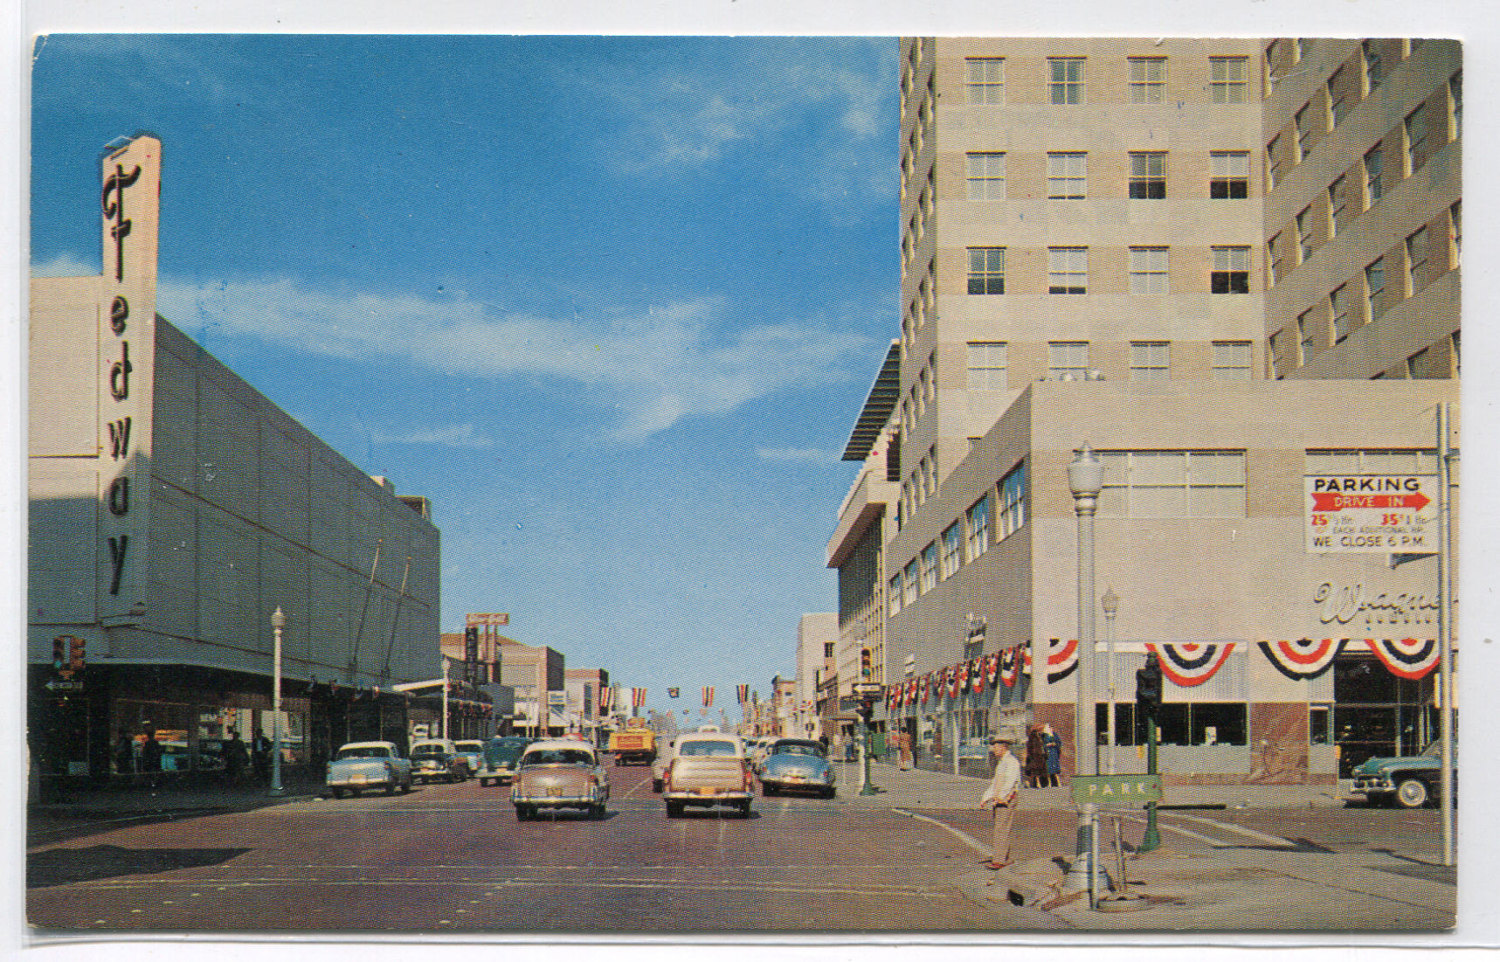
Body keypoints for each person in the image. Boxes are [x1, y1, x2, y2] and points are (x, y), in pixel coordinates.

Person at [978, 732, 1022, 870]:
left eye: (996, 747)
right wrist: (986, 797)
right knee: (1002, 828)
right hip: (1000, 799)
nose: (994, 750)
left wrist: (1000, 797)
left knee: (1001, 829)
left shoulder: (1011, 762)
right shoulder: (1003, 763)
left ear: (1004, 747)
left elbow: (1009, 783)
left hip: (1006, 800)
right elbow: (996, 783)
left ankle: (999, 860)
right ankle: (1004, 857)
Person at [1042, 723, 1063, 788]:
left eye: (1051, 728)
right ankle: (1050, 783)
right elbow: (1043, 744)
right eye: (1049, 728)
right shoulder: (1045, 736)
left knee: (1055, 769)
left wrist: (1055, 744)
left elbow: (1059, 743)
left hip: (1054, 753)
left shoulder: (1055, 735)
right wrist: (1046, 745)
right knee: (1048, 770)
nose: (1050, 729)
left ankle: (1059, 783)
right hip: (1048, 753)